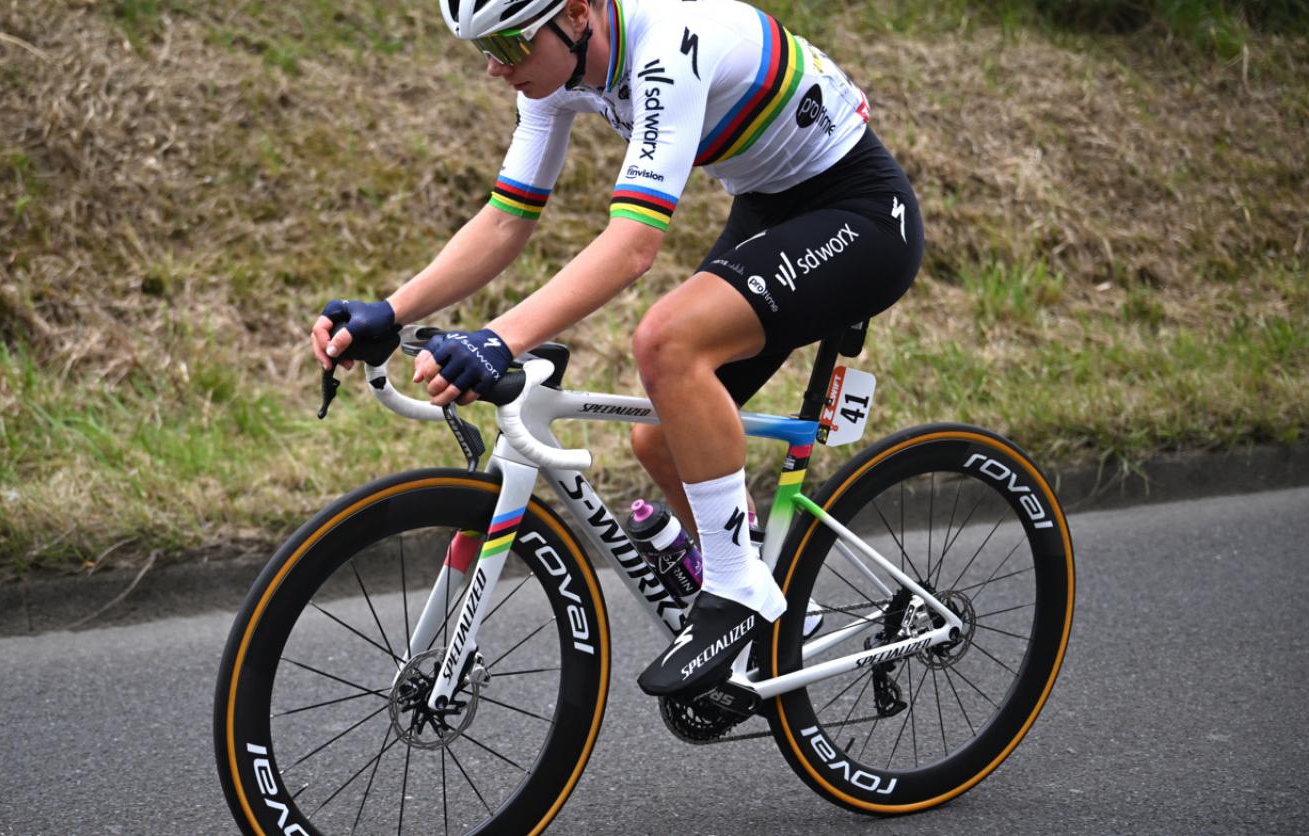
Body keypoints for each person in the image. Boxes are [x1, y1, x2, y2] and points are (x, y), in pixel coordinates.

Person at [312, 0, 924, 699]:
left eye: (507, 44)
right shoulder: (557, 68)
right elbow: (508, 216)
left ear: (574, 14)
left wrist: (500, 337)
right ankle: (793, 617)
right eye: (483, 48)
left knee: (666, 342)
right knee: (661, 442)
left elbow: (633, 246)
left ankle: (736, 592)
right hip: (772, 202)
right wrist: (391, 312)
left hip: (862, 216)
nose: (494, 66)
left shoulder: (666, 44)